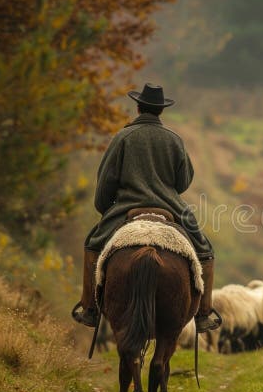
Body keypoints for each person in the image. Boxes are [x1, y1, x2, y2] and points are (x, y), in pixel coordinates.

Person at [71, 83, 219, 332]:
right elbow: (183, 182)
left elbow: (105, 183)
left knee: (93, 243)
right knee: (204, 249)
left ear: (138, 107)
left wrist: (106, 208)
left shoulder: (122, 138)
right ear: (161, 111)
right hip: (171, 206)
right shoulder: (174, 140)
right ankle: (203, 313)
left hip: (126, 207)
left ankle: (90, 308)